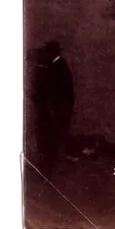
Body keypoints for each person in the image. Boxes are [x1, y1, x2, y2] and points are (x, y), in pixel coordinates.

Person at [27, 41, 74, 176]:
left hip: (56, 110)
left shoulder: (58, 67)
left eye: (47, 52)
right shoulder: (56, 65)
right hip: (56, 110)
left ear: (52, 53)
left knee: (52, 140)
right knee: (51, 140)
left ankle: (48, 170)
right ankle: (48, 168)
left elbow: (57, 92)